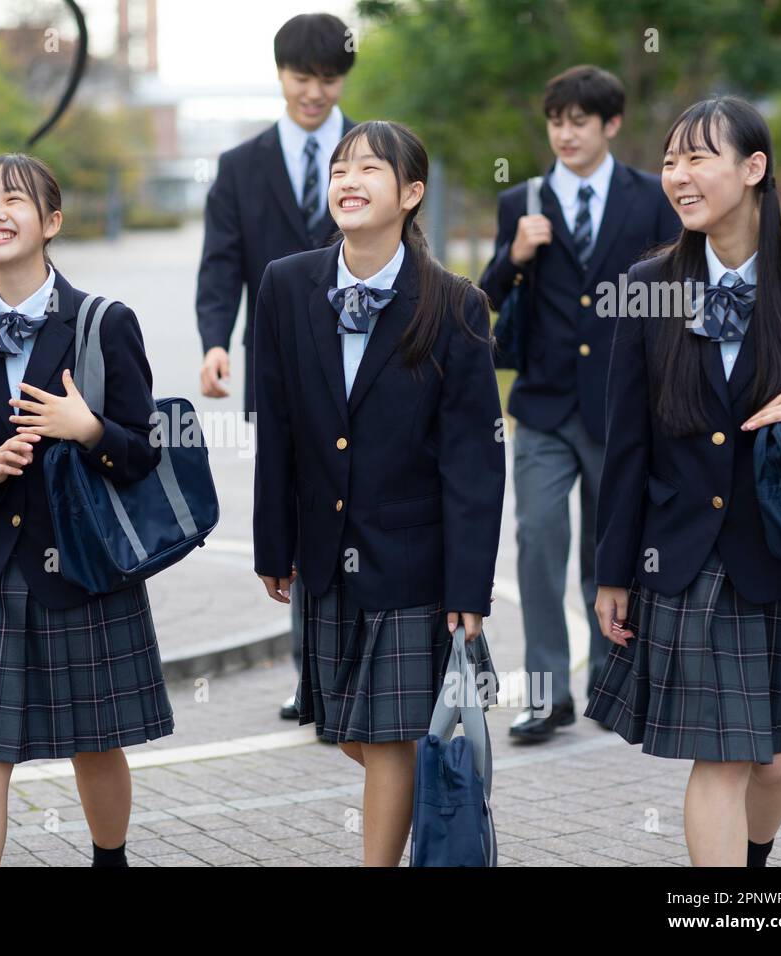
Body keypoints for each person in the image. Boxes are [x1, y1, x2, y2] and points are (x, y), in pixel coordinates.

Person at [589, 95, 781, 867]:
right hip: (688, 560)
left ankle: (754, 858)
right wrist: (613, 573)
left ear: (754, 167)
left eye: (698, 156)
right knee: (724, 757)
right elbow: (626, 443)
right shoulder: (646, 286)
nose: (678, 175)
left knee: (771, 761)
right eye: (670, 160)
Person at [252, 120, 504, 866]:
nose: (348, 180)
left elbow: (474, 462)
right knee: (352, 731)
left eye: (369, 169)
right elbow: (280, 427)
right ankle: (433, 801)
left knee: (391, 737)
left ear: (412, 193)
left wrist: (470, 586)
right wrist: (274, 542)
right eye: (339, 169)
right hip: (326, 554)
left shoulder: (455, 304)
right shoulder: (287, 284)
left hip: (413, 558)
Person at [0, 152, 174, 867]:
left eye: (13, 200)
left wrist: (85, 427)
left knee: (96, 740)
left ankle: (109, 859)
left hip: (85, 566)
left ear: (51, 221)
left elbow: (144, 450)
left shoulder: (104, 321)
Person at [478, 65, 681, 741]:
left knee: (612, 549)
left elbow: (676, 298)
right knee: (538, 540)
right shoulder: (523, 201)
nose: (565, 133)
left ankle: (611, 683)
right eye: (556, 121)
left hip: (624, 407)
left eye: (579, 121)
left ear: (610, 124)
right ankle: (546, 694)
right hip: (542, 405)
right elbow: (485, 301)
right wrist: (514, 253)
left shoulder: (652, 198)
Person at [196, 11, 357, 721]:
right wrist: (214, 340)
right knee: (298, 514)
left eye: (327, 79)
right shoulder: (240, 166)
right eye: (301, 78)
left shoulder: (372, 152)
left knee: (363, 511)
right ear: (281, 75)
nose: (314, 93)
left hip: (366, 365)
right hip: (281, 368)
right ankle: (313, 677)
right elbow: (221, 263)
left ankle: (361, 671)